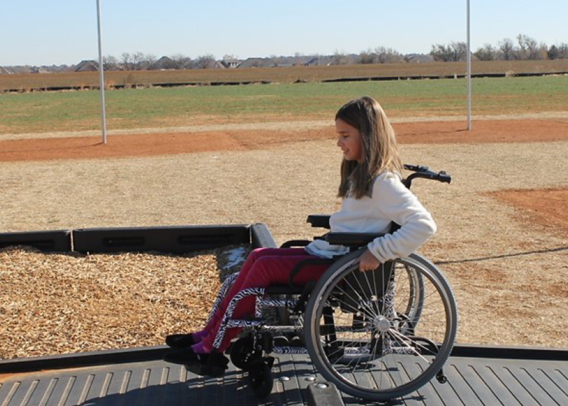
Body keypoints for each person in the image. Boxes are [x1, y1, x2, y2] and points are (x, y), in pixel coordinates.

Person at [163, 96, 436, 376]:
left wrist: (378, 252)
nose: (339, 142)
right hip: (332, 255)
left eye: (345, 135)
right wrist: (336, 221)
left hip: (341, 266)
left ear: (368, 135)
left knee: (264, 267)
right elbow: (361, 220)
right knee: (258, 255)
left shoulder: (383, 182)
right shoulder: (365, 177)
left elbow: (423, 225)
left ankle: (213, 347)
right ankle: (209, 335)